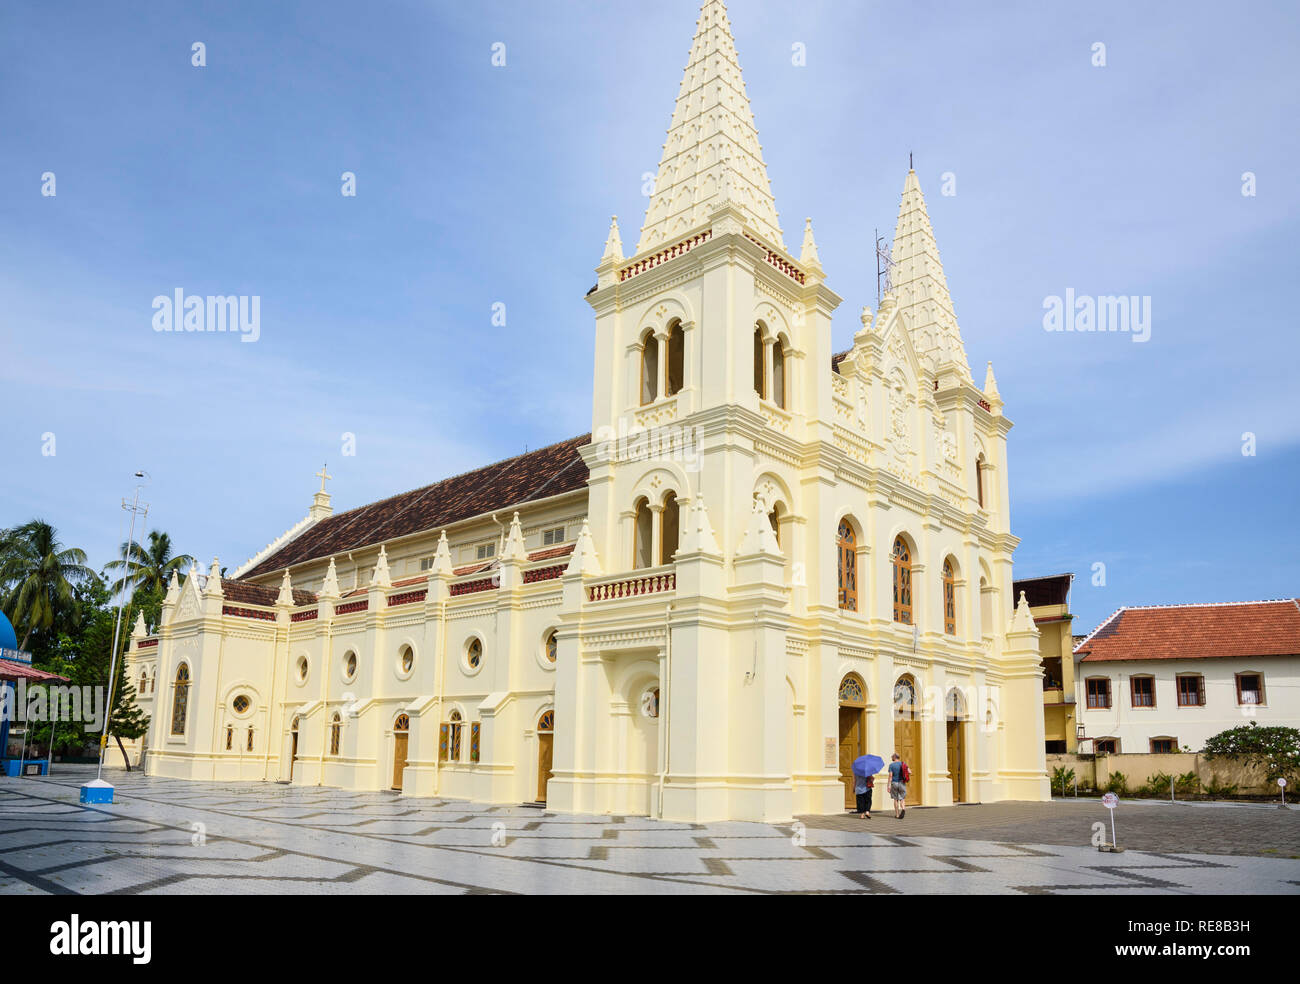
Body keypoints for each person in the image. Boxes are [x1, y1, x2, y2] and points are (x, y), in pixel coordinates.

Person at [888, 752, 907, 819]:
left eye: (892, 757)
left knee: (895, 799)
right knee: (902, 798)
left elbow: (890, 776)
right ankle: (903, 808)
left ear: (894, 757)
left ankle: (897, 814)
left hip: (894, 783)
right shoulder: (903, 764)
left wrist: (889, 786)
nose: (891, 758)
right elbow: (909, 772)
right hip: (902, 782)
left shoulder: (891, 765)